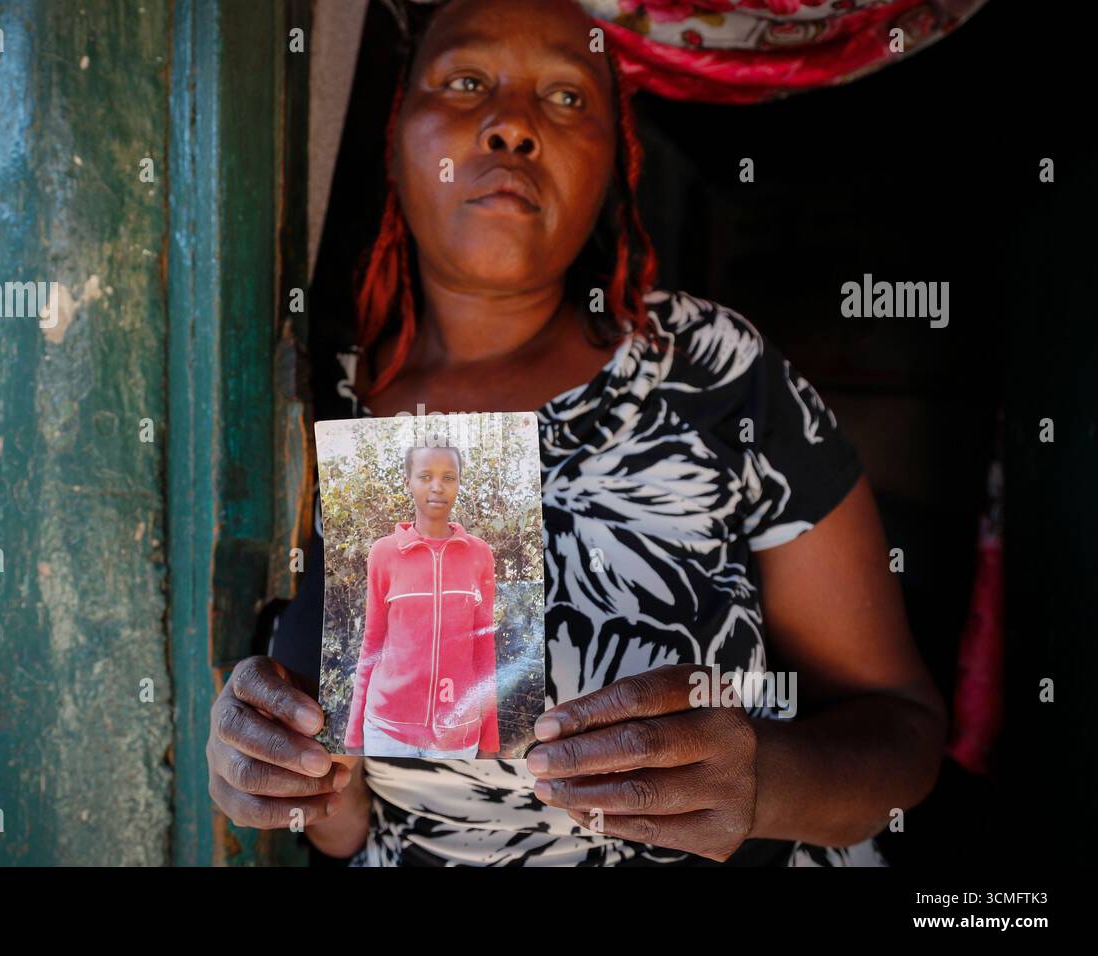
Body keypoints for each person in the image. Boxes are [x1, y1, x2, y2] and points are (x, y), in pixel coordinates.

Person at [207, 0, 946, 866]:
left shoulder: (711, 370)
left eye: (565, 99)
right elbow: (360, 823)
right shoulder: (316, 406)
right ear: (396, 129)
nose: (513, 125)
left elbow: (904, 727)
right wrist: (283, 777)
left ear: (614, 162)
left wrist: (770, 783)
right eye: (468, 81)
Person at [343, 443, 500, 759]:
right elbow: (371, 644)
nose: (437, 487)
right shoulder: (383, 553)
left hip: (456, 736)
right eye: (425, 476)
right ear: (408, 483)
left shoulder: (479, 554)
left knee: (447, 811)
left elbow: (484, 650)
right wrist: (354, 730)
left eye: (448, 477)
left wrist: (490, 738)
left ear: (458, 483)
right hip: (387, 730)